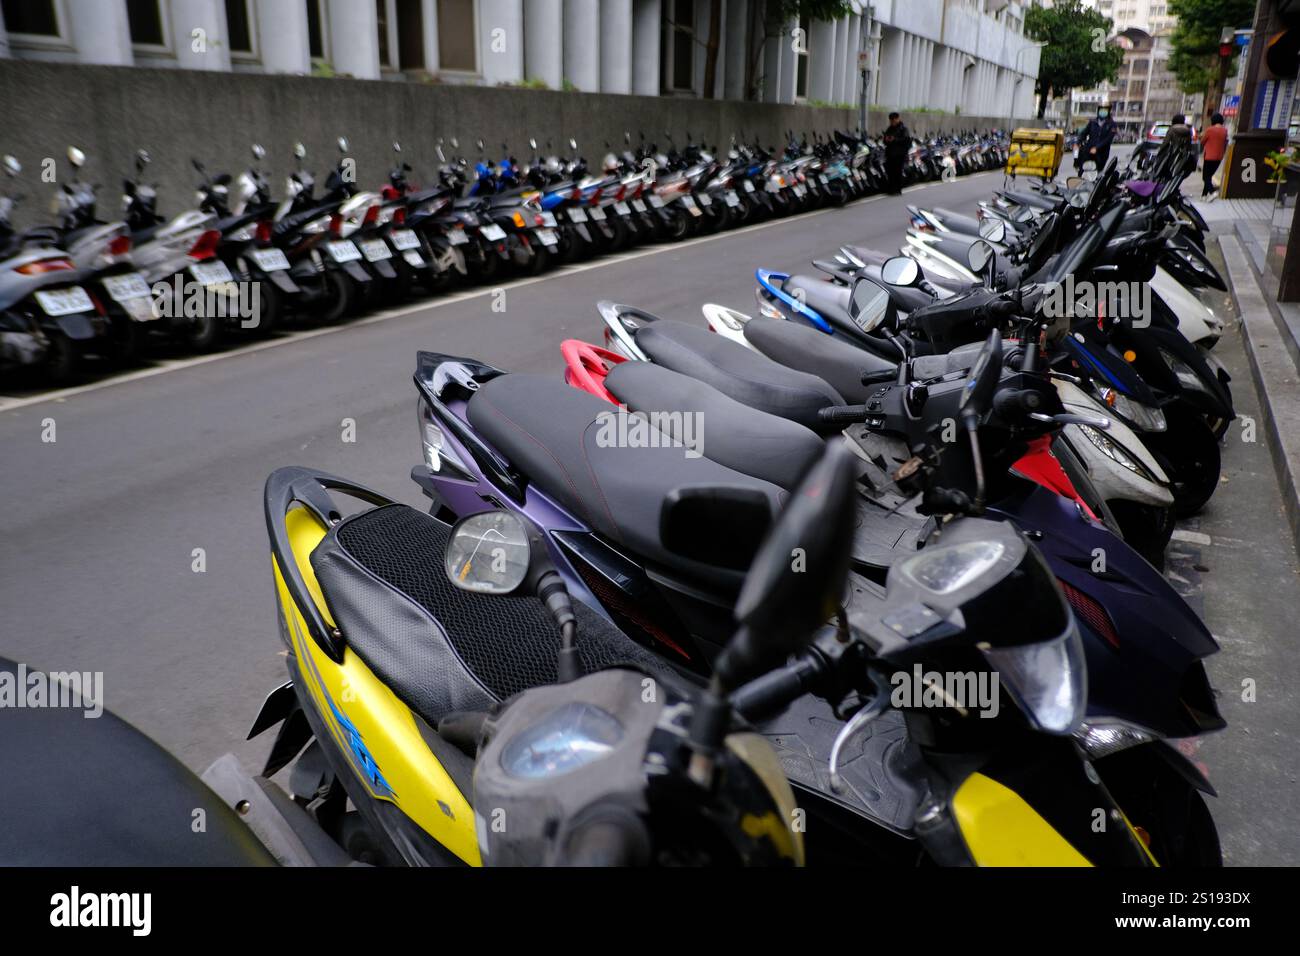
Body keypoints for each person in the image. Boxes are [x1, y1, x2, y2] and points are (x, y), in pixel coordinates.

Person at [1077, 103, 1117, 172]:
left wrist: (1097, 148)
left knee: (1096, 172)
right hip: (1089, 150)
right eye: (1101, 109)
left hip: (1102, 153)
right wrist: (1078, 142)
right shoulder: (1092, 122)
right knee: (1082, 170)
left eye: (1105, 109)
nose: (1102, 111)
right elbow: (1084, 133)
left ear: (1108, 111)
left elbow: (1108, 139)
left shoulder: (1112, 124)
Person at [1200, 112, 1229, 199]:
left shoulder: (1210, 130)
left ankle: (1212, 192)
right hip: (1219, 157)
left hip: (1209, 157)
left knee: (1205, 177)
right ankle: (1204, 196)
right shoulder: (1225, 131)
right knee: (1209, 176)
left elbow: (1202, 141)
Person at [883, 112, 911, 195]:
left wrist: (894, 139)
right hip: (890, 153)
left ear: (898, 119)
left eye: (894, 120)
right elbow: (885, 139)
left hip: (899, 154)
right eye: (891, 121)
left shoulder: (903, 129)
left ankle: (898, 189)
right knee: (890, 172)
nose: (892, 122)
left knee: (897, 172)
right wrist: (887, 139)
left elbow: (906, 140)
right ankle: (891, 189)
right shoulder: (889, 129)